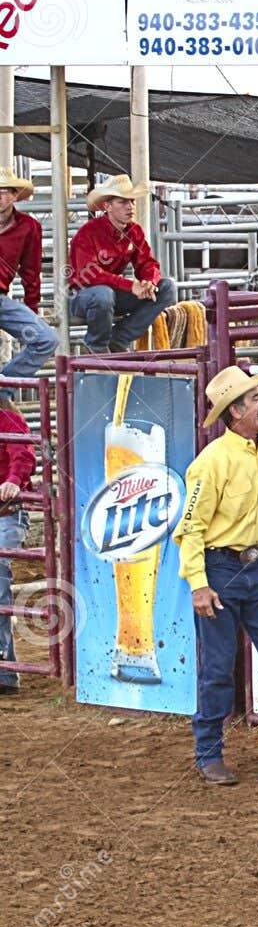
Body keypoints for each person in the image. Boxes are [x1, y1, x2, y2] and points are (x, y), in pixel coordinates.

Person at [172, 366, 258, 786]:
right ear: (234, 412)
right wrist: (198, 582)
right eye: (254, 399)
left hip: (255, 567)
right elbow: (190, 528)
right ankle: (209, 753)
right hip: (220, 569)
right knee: (217, 666)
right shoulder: (211, 462)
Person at [67, 175, 178, 353]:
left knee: (166, 288)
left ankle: (119, 338)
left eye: (132, 201)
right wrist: (130, 285)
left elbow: (147, 262)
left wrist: (149, 282)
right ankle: (97, 346)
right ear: (107, 206)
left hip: (109, 295)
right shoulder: (88, 232)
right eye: (123, 202)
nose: (130, 207)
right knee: (103, 294)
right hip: (81, 296)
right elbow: (88, 274)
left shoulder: (134, 231)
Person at [0, 170, 56, 386]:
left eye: (4, 192)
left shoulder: (29, 227)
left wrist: (31, 308)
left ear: (15, 196)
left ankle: (4, 387)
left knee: (46, 339)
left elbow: (31, 271)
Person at [0, 394, 34, 694]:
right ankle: (5, 673)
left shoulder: (9, 419)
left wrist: (14, 480)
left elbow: (22, 453)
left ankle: (3, 668)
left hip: (6, 513)